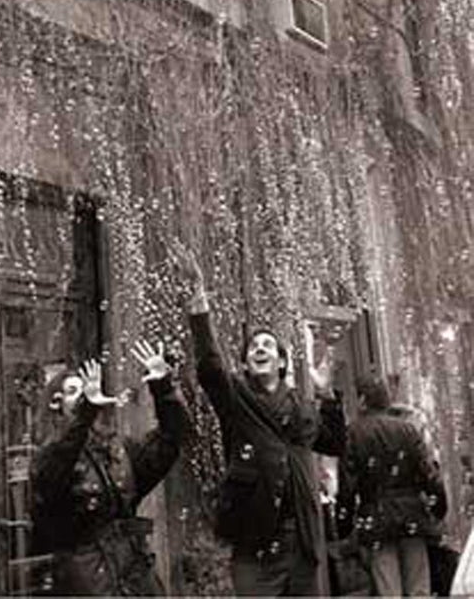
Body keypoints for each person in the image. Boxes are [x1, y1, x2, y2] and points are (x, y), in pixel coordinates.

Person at [177, 245, 346, 597]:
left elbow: (334, 442)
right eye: (254, 346)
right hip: (255, 546)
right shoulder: (237, 401)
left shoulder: (301, 406)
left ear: (282, 363)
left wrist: (329, 395)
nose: (260, 348)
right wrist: (198, 303)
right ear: (244, 365)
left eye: (269, 344)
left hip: (301, 540)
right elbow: (210, 367)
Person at [30, 340, 188, 595]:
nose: (85, 395)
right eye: (74, 391)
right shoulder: (49, 456)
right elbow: (52, 476)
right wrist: (86, 413)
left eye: (88, 390)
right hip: (84, 581)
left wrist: (163, 387)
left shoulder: (118, 450)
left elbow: (171, 440)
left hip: (134, 572)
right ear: (55, 404)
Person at [338, 376, 447, 597]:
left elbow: (347, 486)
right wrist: (438, 508)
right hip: (412, 515)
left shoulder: (355, 433)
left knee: (388, 588)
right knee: (419, 587)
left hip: (376, 518)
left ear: (361, 400)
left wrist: (344, 525)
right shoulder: (408, 430)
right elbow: (429, 475)